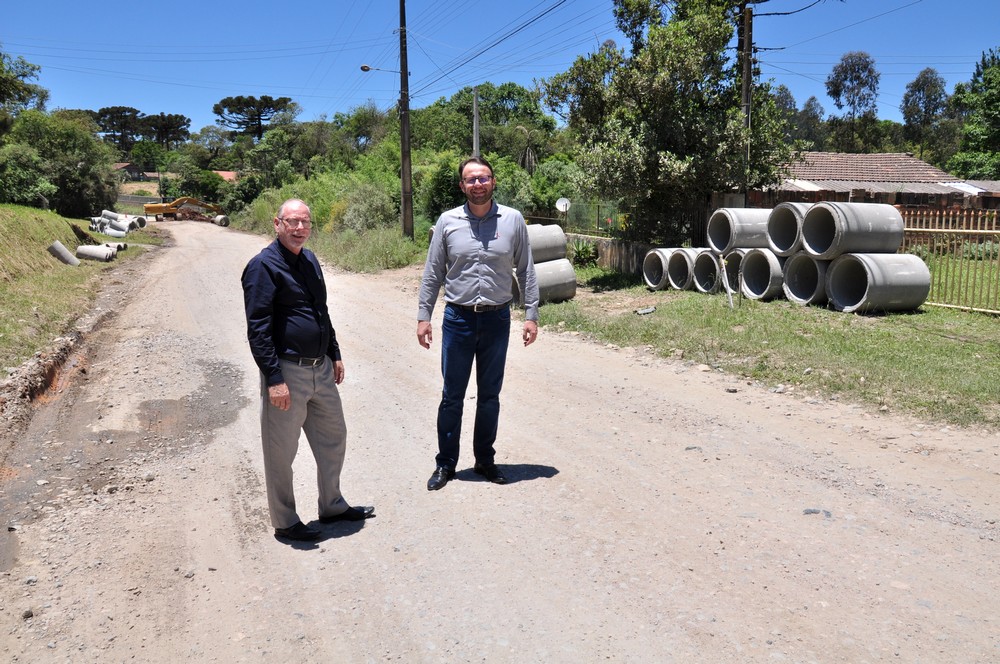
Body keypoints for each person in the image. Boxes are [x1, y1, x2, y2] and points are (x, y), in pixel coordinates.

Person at [242, 198, 374, 541]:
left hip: (321, 369)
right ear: (277, 224)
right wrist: (274, 379)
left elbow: (320, 311)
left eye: (305, 222)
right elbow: (258, 329)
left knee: (334, 437)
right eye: (292, 222)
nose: (299, 228)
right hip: (288, 372)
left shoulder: (310, 259)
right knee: (281, 451)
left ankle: (332, 505)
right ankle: (285, 521)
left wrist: (335, 352)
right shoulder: (262, 267)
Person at [417, 156, 540, 491]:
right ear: (462, 186)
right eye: (471, 179)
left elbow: (526, 270)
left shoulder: (513, 220)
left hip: (497, 318)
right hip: (458, 319)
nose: (478, 184)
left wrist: (531, 315)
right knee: (452, 396)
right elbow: (433, 273)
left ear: (493, 181)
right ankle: (445, 464)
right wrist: (424, 317)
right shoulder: (447, 221)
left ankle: (485, 460)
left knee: (489, 396)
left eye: (483, 178)